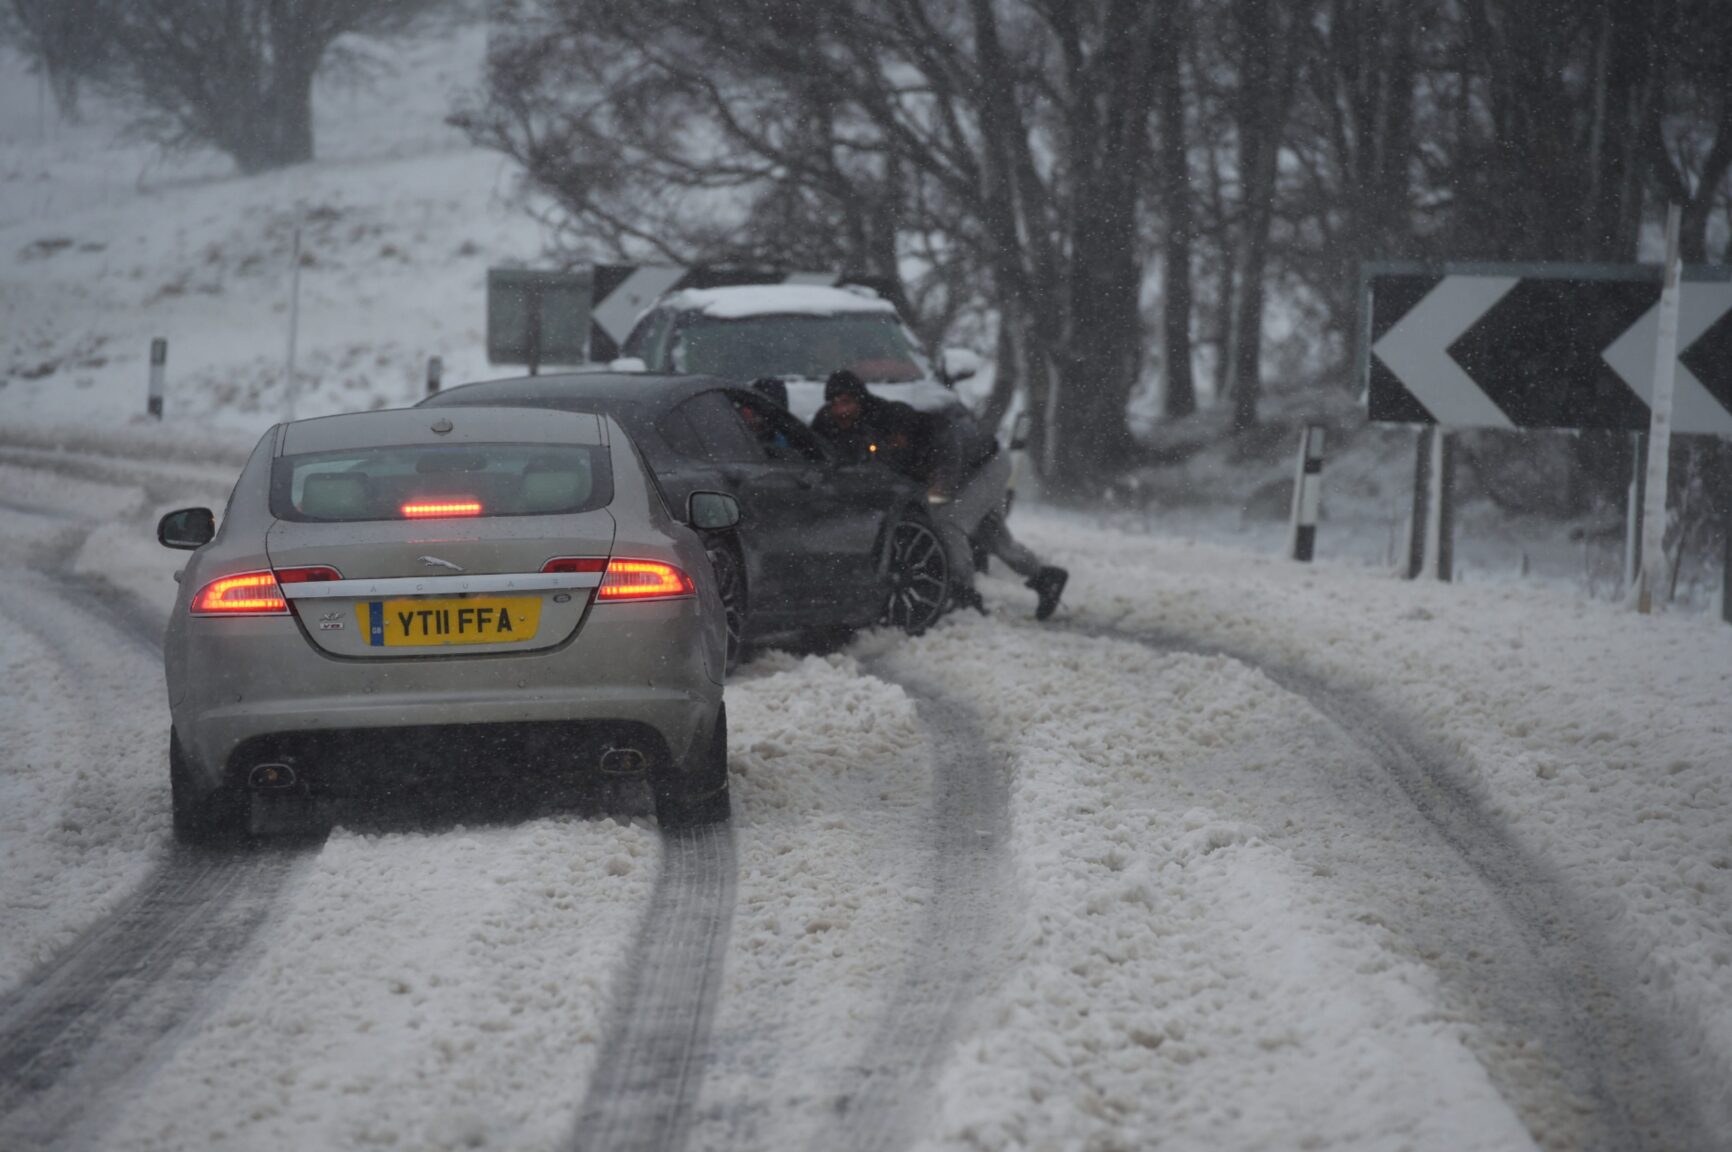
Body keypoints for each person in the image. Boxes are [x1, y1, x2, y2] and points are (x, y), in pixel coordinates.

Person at [813, 370, 1068, 620]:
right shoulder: (829, 425)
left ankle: (964, 595)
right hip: (959, 469)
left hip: (981, 466)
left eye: (846, 402)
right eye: (834, 403)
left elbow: (946, 452)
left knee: (948, 523)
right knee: (993, 537)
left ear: (860, 399)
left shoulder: (895, 420)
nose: (840, 410)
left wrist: (938, 493)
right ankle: (1046, 578)